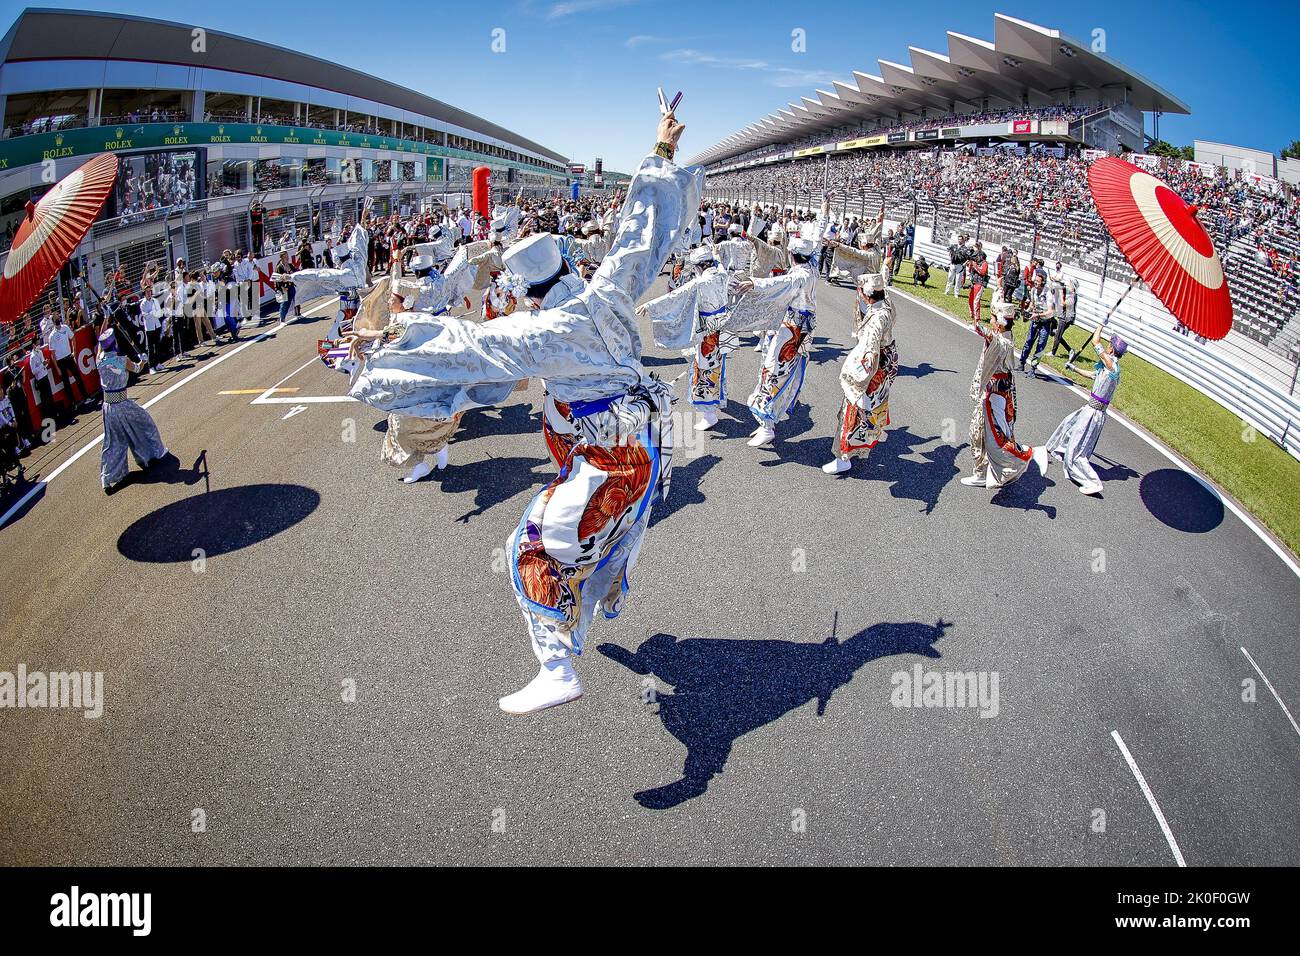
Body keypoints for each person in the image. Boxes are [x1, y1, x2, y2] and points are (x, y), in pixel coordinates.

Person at [350, 110, 693, 714]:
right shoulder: (608, 289)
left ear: (532, 291)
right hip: (639, 453)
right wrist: (660, 150)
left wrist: (395, 336)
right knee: (588, 548)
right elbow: (639, 234)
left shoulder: (546, 332)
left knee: (531, 548)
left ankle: (556, 667)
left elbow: (472, 347)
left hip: (609, 462)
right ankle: (576, 629)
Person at [960, 300, 1048, 490]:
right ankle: (981, 471)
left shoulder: (1001, 341)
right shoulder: (1004, 336)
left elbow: (990, 337)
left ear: (999, 322)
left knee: (994, 436)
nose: (990, 321)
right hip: (998, 391)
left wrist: (977, 324)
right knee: (982, 432)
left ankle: (1028, 453)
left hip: (995, 395)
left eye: (992, 318)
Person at [823, 272, 898, 474]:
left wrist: (858, 380)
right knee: (871, 409)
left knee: (851, 409)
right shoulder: (887, 307)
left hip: (872, 368)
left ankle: (843, 456)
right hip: (885, 363)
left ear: (865, 296)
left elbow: (870, 350)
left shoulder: (876, 319)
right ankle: (857, 448)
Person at [1049, 324, 1126, 496]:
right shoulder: (1107, 367)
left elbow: (1095, 342)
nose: (1106, 346)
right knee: (1068, 424)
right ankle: (1060, 450)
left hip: (1094, 412)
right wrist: (1073, 368)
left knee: (1078, 451)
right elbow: (1091, 375)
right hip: (1091, 409)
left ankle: (1091, 481)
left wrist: (1100, 327)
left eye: (1109, 345)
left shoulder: (1111, 365)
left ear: (1112, 348)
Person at [96, 329, 168, 493]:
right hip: (122, 404)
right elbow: (137, 368)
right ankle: (152, 454)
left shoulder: (99, 361)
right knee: (144, 424)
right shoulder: (121, 360)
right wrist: (143, 359)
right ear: (114, 343)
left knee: (113, 442)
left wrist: (106, 321)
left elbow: (98, 349)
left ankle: (107, 477)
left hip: (108, 408)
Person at [1018, 273, 1057, 375]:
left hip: (1045, 322)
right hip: (1035, 320)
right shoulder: (1033, 290)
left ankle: (1033, 368)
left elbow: (1051, 312)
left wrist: (1039, 315)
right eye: (1035, 280)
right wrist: (1027, 311)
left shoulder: (1048, 293)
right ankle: (1021, 363)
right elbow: (1032, 304)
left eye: (1038, 281)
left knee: (1041, 345)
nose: (1035, 282)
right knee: (1029, 341)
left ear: (1043, 282)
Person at [47, 314, 87, 403]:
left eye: (57, 317)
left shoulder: (65, 327)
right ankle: (74, 403)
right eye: (55, 318)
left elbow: (73, 338)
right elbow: (52, 354)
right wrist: (57, 368)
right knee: (66, 384)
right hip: (60, 361)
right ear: (53, 322)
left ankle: (85, 397)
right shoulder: (51, 336)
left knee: (78, 377)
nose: (57, 319)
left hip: (69, 357)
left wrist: (74, 352)